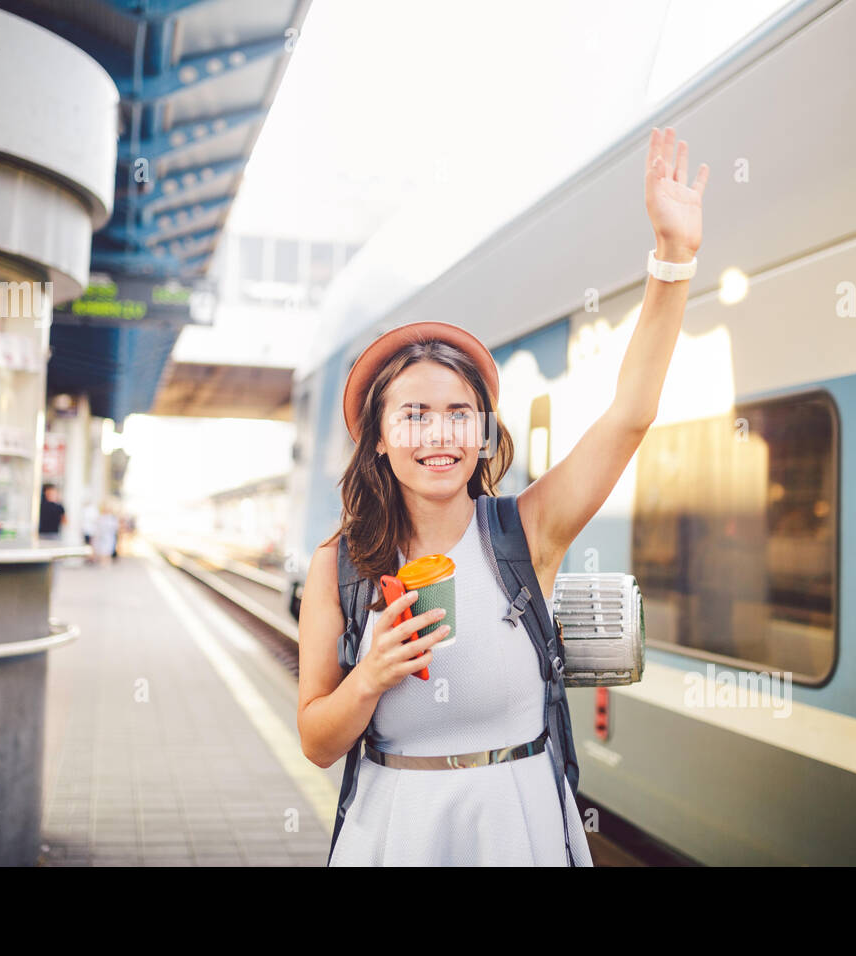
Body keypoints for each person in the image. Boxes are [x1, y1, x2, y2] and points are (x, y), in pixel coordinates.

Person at [297, 127, 708, 866]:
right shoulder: (341, 565)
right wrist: (371, 676)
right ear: (381, 441)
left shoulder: (526, 530)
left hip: (516, 827)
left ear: (483, 432)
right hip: (395, 835)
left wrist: (673, 260)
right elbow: (317, 740)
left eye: (459, 413)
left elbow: (630, 416)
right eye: (413, 415)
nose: (439, 435)